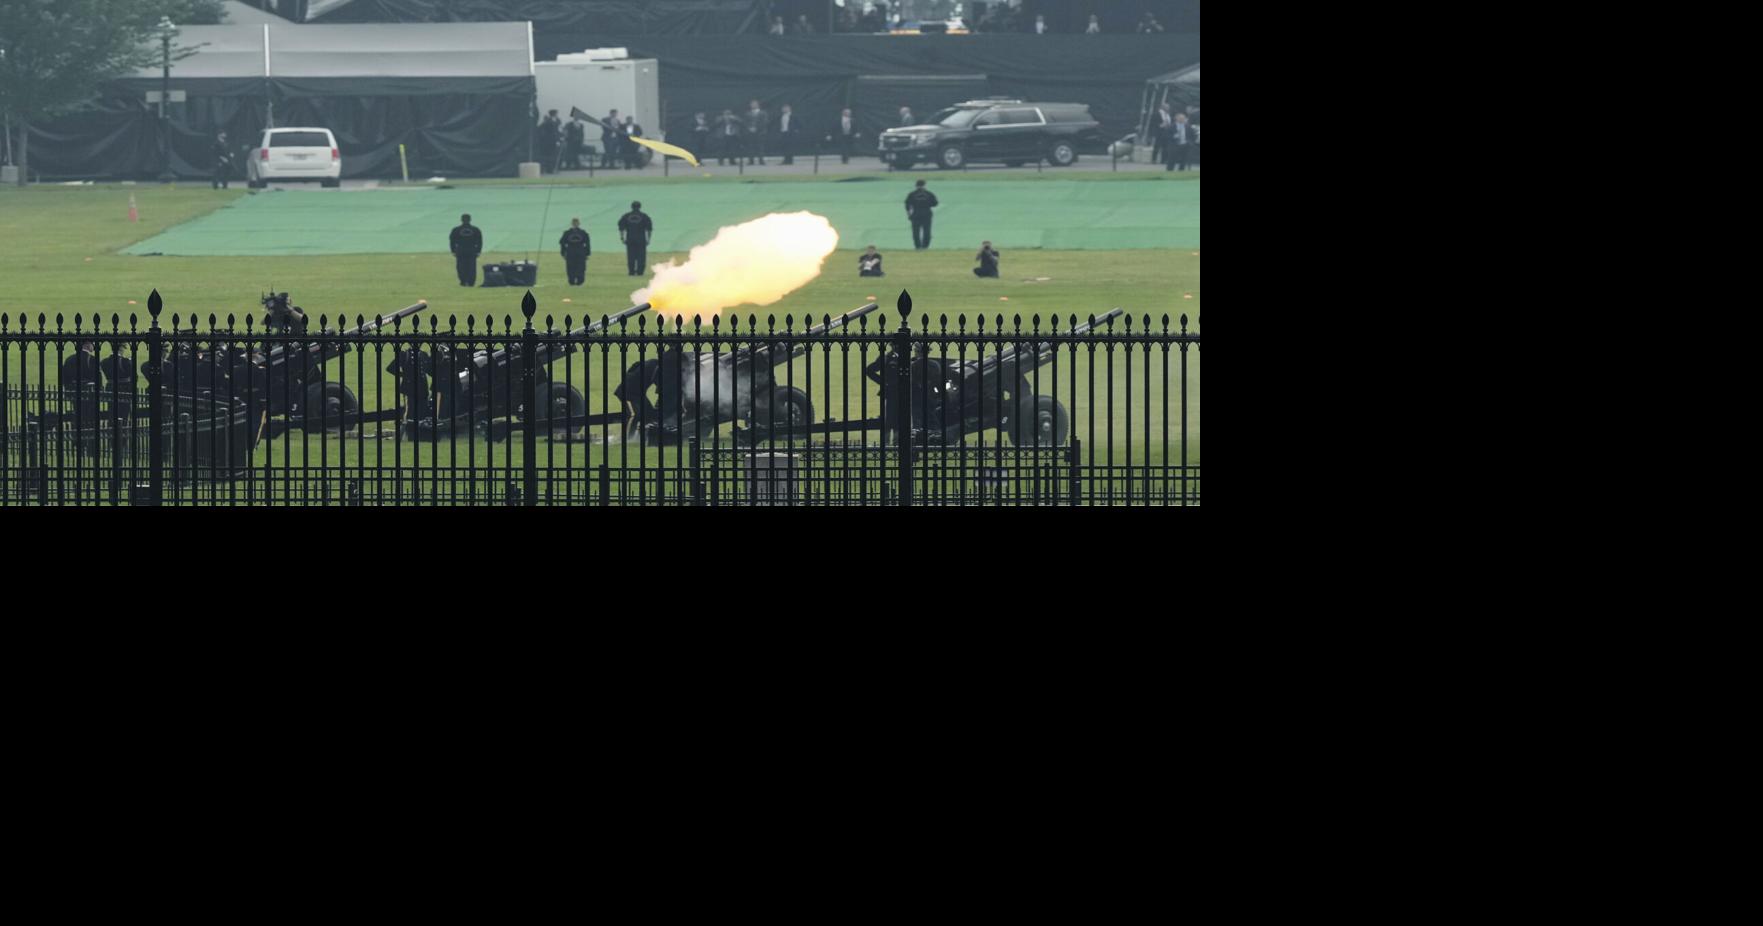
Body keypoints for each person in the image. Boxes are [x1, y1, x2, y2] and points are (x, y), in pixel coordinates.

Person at [618, 201, 653, 276]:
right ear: (640, 207)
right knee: (641, 256)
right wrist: (648, 239)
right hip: (641, 239)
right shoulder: (644, 216)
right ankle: (640, 272)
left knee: (631, 256)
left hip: (630, 238)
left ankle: (631, 271)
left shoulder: (626, 216)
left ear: (632, 207)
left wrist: (622, 238)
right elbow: (649, 229)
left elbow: (621, 228)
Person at [450, 213, 482, 286]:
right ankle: (471, 282)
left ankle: (463, 281)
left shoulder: (456, 229)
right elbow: (479, 241)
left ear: (461, 220)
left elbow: (452, 241)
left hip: (460, 250)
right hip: (472, 250)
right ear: (470, 220)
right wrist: (478, 251)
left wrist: (453, 250)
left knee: (460, 266)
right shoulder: (475, 229)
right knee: (471, 267)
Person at [905, 179, 938, 250]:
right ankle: (925, 246)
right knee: (927, 231)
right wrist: (927, 204)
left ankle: (918, 246)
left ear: (916, 185)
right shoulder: (929, 194)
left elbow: (907, 205)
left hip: (916, 213)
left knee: (915, 232)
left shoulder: (912, 194)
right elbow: (935, 203)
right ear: (924, 185)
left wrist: (909, 214)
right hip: (927, 213)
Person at [559, 217, 591, 285]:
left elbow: (587, 243)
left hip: (580, 252)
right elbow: (562, 242)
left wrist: (587, 253)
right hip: (571, 252)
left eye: (576, 222)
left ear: (579, 223)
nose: (575, 224)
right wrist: (563, 252)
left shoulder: (583, 233)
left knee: (581, 267)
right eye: (574, 222)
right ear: (572, 223)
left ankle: (580, 281)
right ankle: (571, 281)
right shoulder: (567, 233)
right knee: (570, 267)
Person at [745, 99, 768, 165]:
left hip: (760, 132)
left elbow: (764, 122)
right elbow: (746, 123)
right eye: (752, 104)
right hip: (750, 133)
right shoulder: (747, 113)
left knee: (760, 147)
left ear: (758, 105)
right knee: (750, 147)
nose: (753, 105)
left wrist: (756, 128)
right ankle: (751, 161)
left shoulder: (763, 113)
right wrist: (749, 128)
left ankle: (761, 160)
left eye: (755, 104)